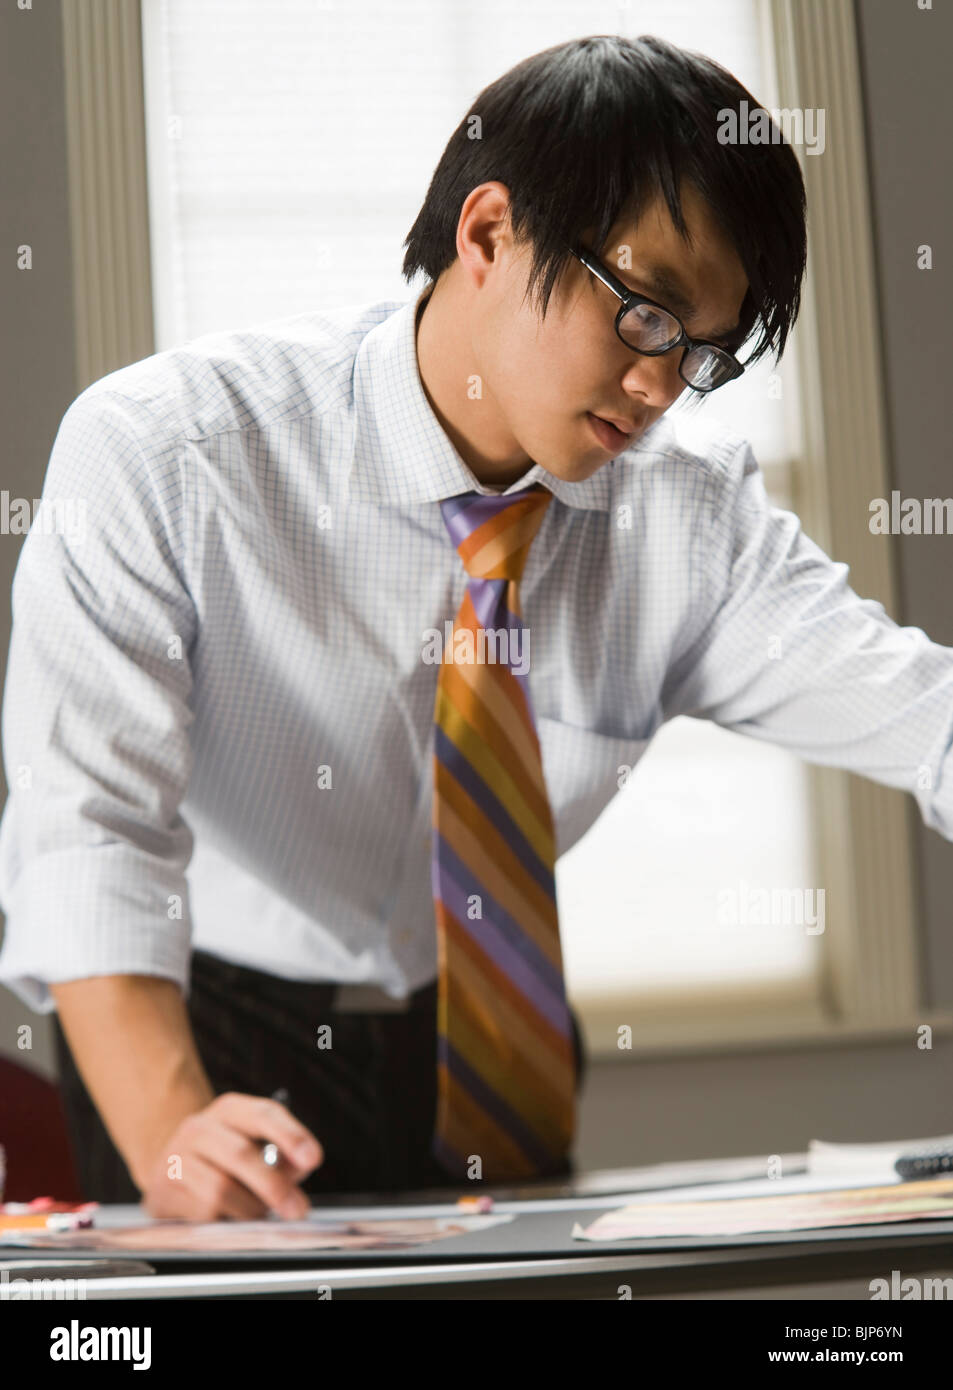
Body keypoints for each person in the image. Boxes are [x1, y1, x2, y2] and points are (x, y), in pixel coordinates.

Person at [1, 33, 950, 1221]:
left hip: (495, 1037)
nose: (662, 391)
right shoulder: (163, 453)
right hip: (210, 1041)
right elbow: (85, 829)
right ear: (489, 233)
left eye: (702, 351)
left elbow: (928, 720)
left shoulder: (685, 524)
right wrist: (168, 1126)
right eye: (647, 316)